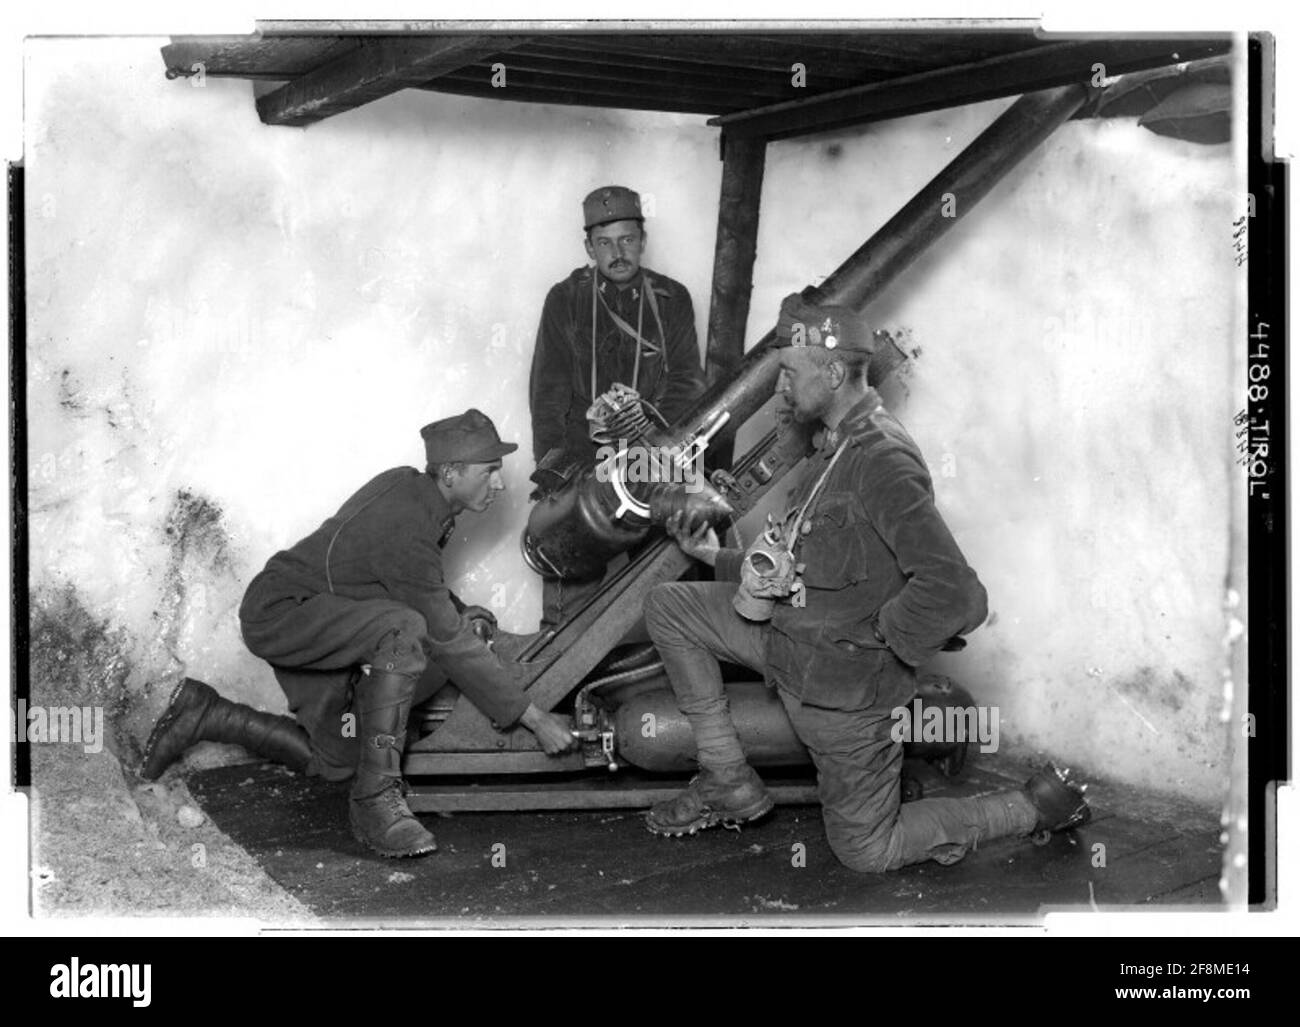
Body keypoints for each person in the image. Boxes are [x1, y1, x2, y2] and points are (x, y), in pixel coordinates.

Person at [641, 295, 1090, 872]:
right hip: (787, 643)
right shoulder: (833, 447)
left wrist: (874, 641)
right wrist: (716, 558)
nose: (780, 387)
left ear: (832, 373)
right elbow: (806, 564)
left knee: (868, 851)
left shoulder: (881, 460)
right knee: (671, 607)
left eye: (789, 373)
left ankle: (1032, 806)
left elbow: (956, 593)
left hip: (843, 691)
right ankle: (726, 777)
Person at [141, 409, 577, 859]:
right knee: (407, 630)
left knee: (340, 760)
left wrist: (461, 611)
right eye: (489, 471)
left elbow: (406, 580)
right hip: (285, 612)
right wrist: (533, 718)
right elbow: (441, 630)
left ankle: (207, 714)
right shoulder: (409, 520)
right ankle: (374, 801)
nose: (500, 484)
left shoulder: (412, 489)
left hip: (319, 612)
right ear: (451, 473)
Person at [528, 185, 706, 629]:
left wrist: (653, 437)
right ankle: (561, 665)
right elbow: (547, 391)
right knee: (570, 587)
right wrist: (553, 471)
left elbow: (687, 381)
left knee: (669, 583)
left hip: (650, 457)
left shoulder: (672, 298)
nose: (618, 252)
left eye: (627, 239)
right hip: (583, 461)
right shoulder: (565, 298)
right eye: (604, 242)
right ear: (589, 247)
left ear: (643, 240)